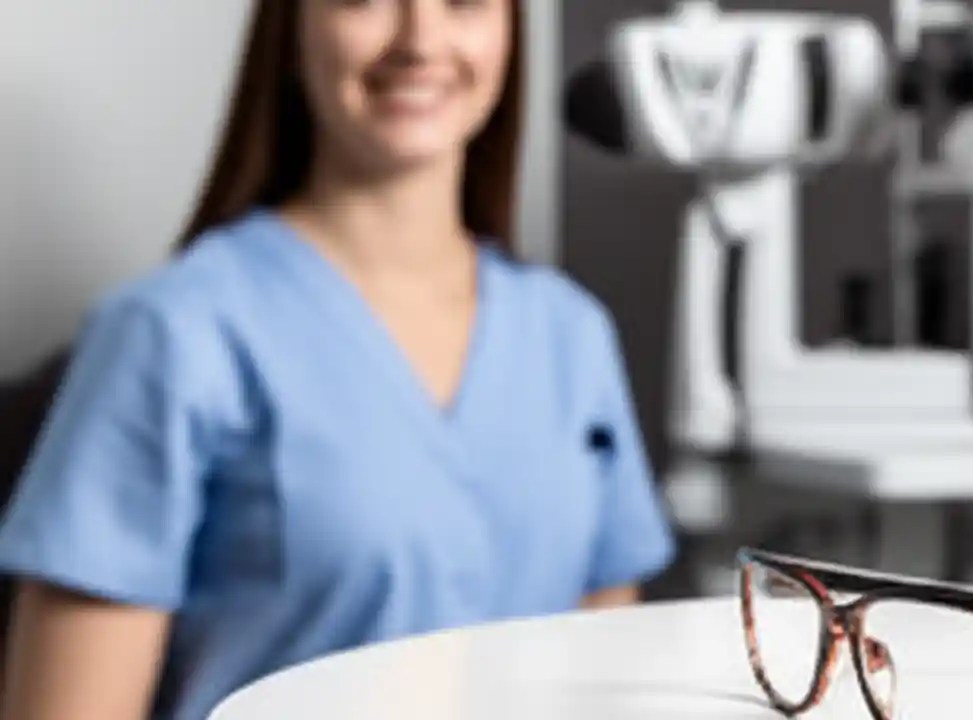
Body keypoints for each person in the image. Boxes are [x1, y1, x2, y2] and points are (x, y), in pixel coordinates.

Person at [0, 1, 676, 718]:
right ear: (290, 33)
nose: (420, 40)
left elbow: (608, 663)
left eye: (465, 2)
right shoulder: (172, 332)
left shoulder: (568, 334)